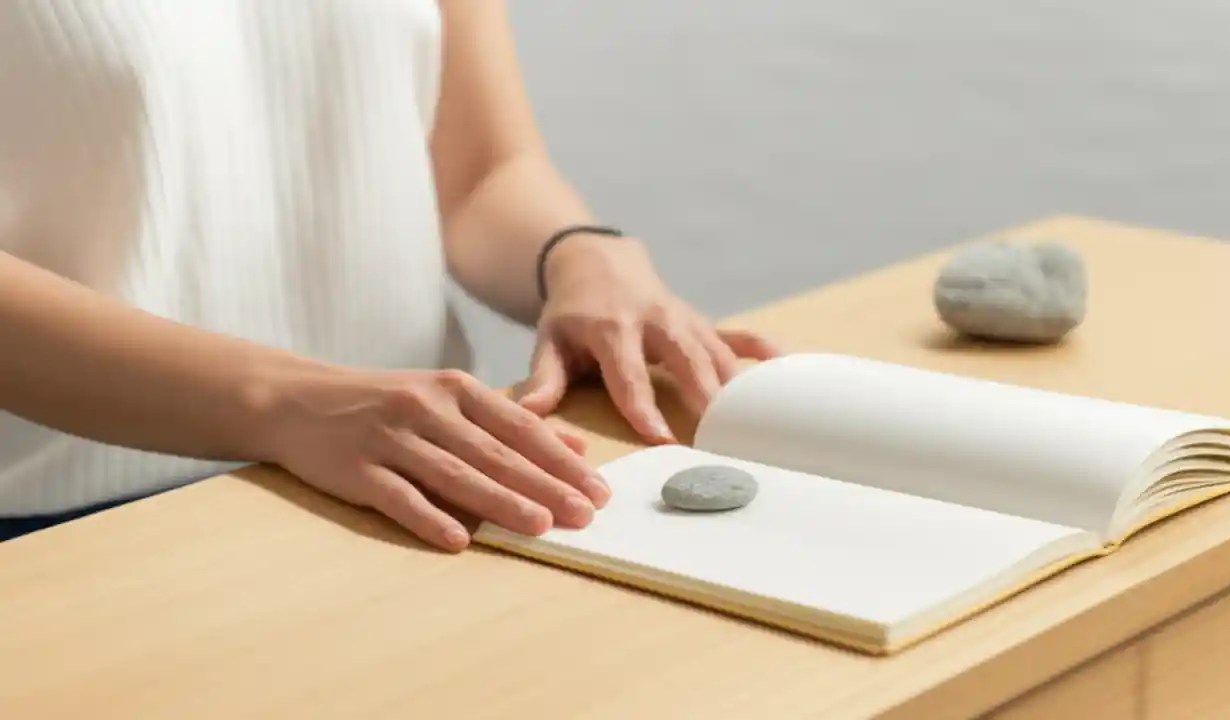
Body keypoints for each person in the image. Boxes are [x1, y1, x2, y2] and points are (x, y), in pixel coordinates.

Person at [0, 1, 780, 548]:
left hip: (410, 490)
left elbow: (479, 169)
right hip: (66, 531)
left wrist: (578, 253)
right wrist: (281, 403)